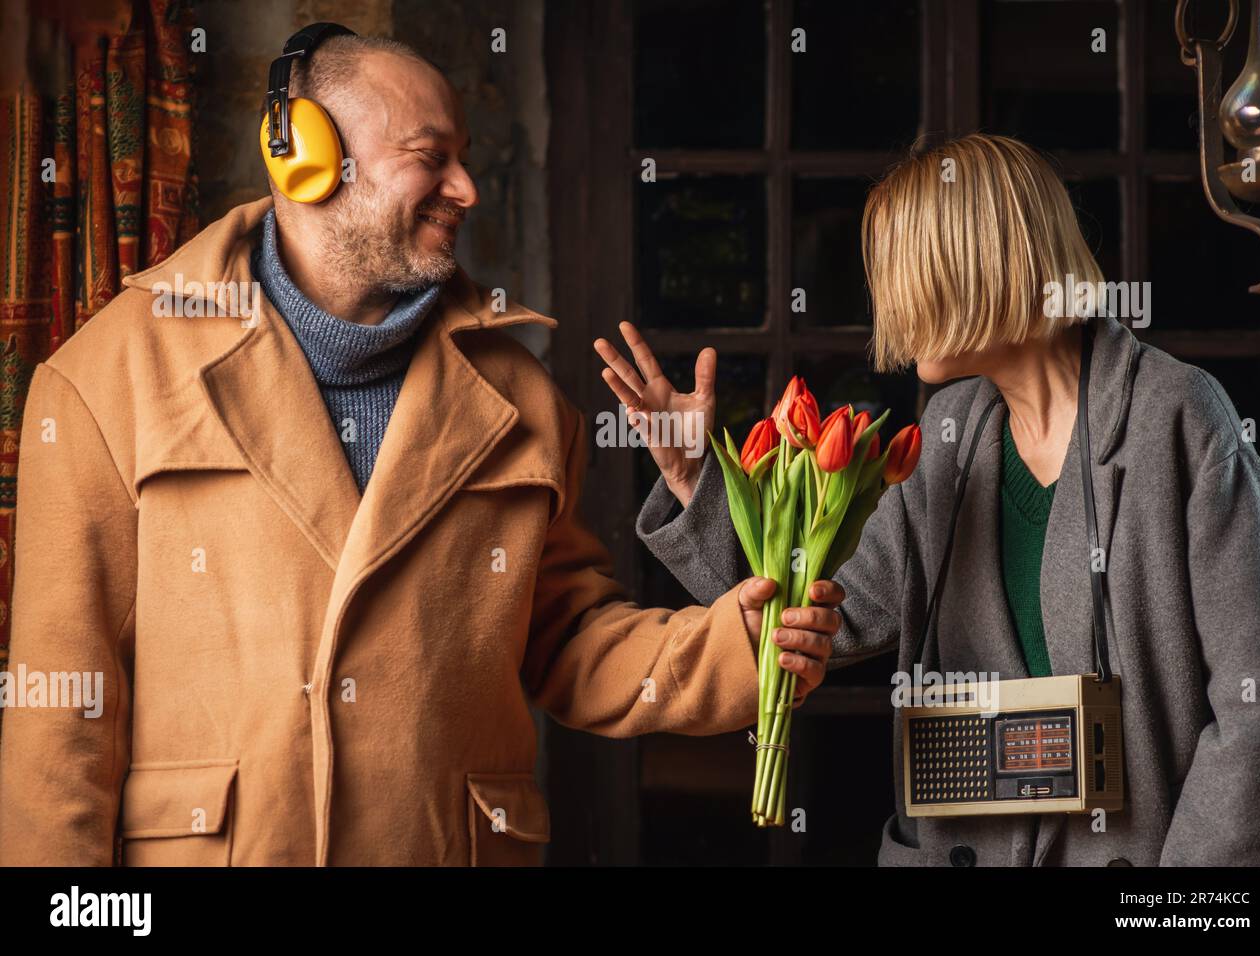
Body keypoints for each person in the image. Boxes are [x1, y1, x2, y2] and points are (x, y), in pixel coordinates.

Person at [0, 28, 844, 867]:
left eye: (465, 157)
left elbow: (570, 643)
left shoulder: (526, 405)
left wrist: (736, 650)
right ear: (304, 156)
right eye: (430, 156)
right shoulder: (107, 382)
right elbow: (59, 725)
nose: (467, 188)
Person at [609, 133, 1260, 866]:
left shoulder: (1178, 415)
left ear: (981, 264)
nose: (888, 303)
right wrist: (694, 477)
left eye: (903, 272)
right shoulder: (948, 433)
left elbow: (1259, 710)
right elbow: (819, 612)